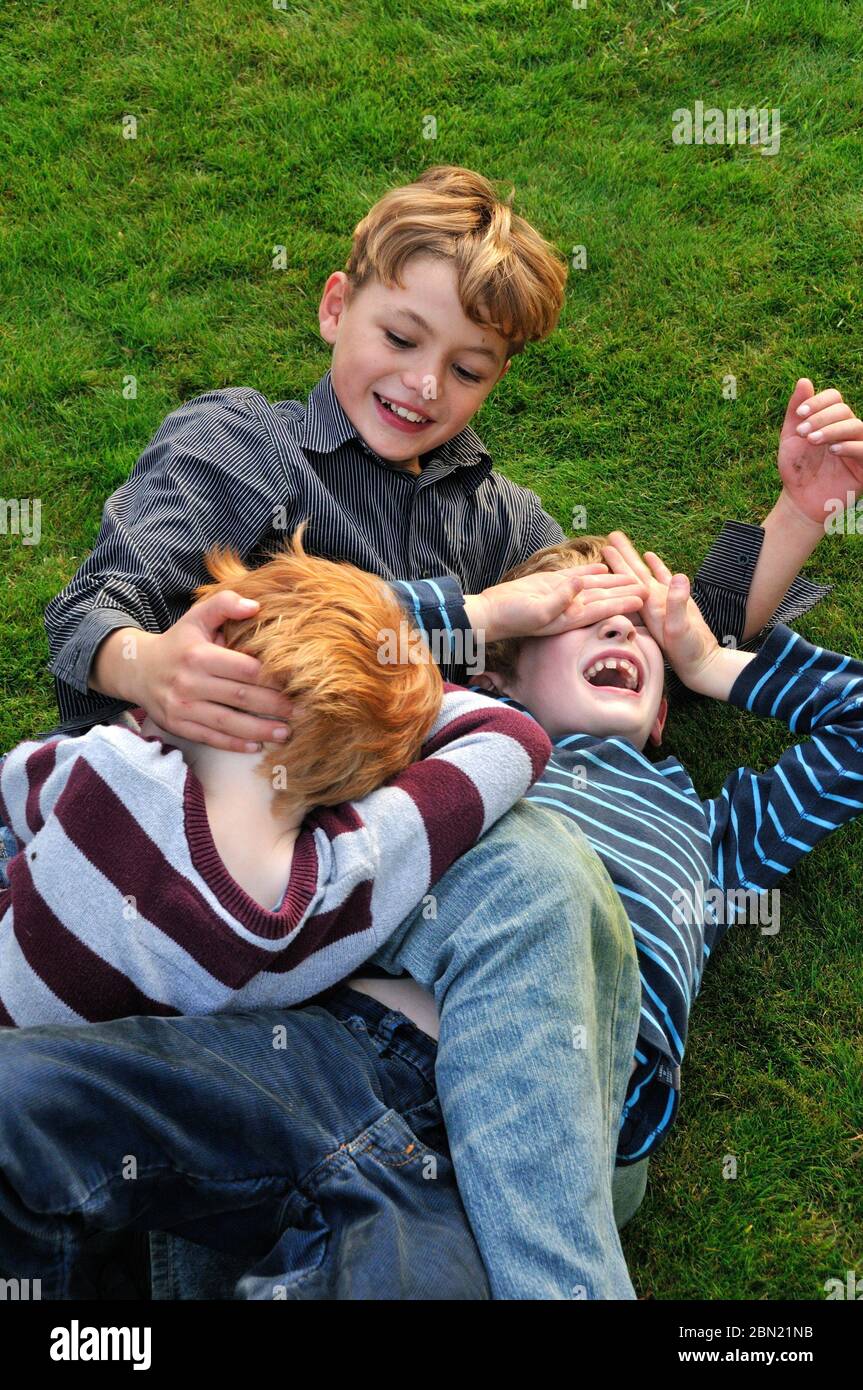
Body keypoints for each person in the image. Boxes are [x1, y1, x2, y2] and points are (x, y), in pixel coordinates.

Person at [0, 164, 849, 1299]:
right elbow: (99, 611)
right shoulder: (244, 445)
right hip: (226, 898)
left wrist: (793, 516)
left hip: (396, 975)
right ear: (333, 305)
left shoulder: (499, 528)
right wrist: (143, 660)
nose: (420, 385)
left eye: (466, 369)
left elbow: (639, 639)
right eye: (400, 337)